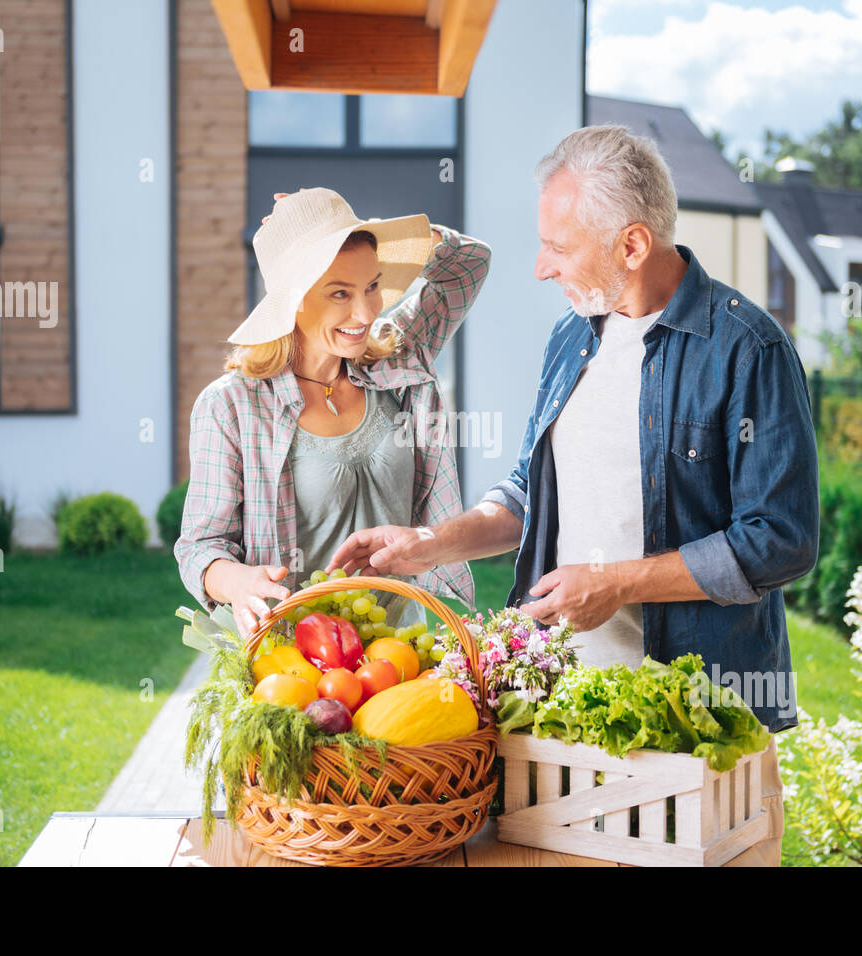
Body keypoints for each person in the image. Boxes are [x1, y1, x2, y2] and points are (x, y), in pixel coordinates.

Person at [328, 126, 820, 866]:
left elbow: (780, 538)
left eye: (558, 247)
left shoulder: (747, 349)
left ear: (630, 245)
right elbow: (534, 491)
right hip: (568, 717)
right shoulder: (572, 338)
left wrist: (616, 583)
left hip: (700, 734)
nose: (538, 267)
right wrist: (427, 543)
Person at [174, 187, 491, 640]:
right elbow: (200, 548)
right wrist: (238, 582)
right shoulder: (232, 406)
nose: (365, 312)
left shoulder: (395, 357)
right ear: (294, 298)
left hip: (399, 658)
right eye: (340, 293)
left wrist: (358, 227)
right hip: (291, 664)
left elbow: (469, 264)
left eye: (373, 285)